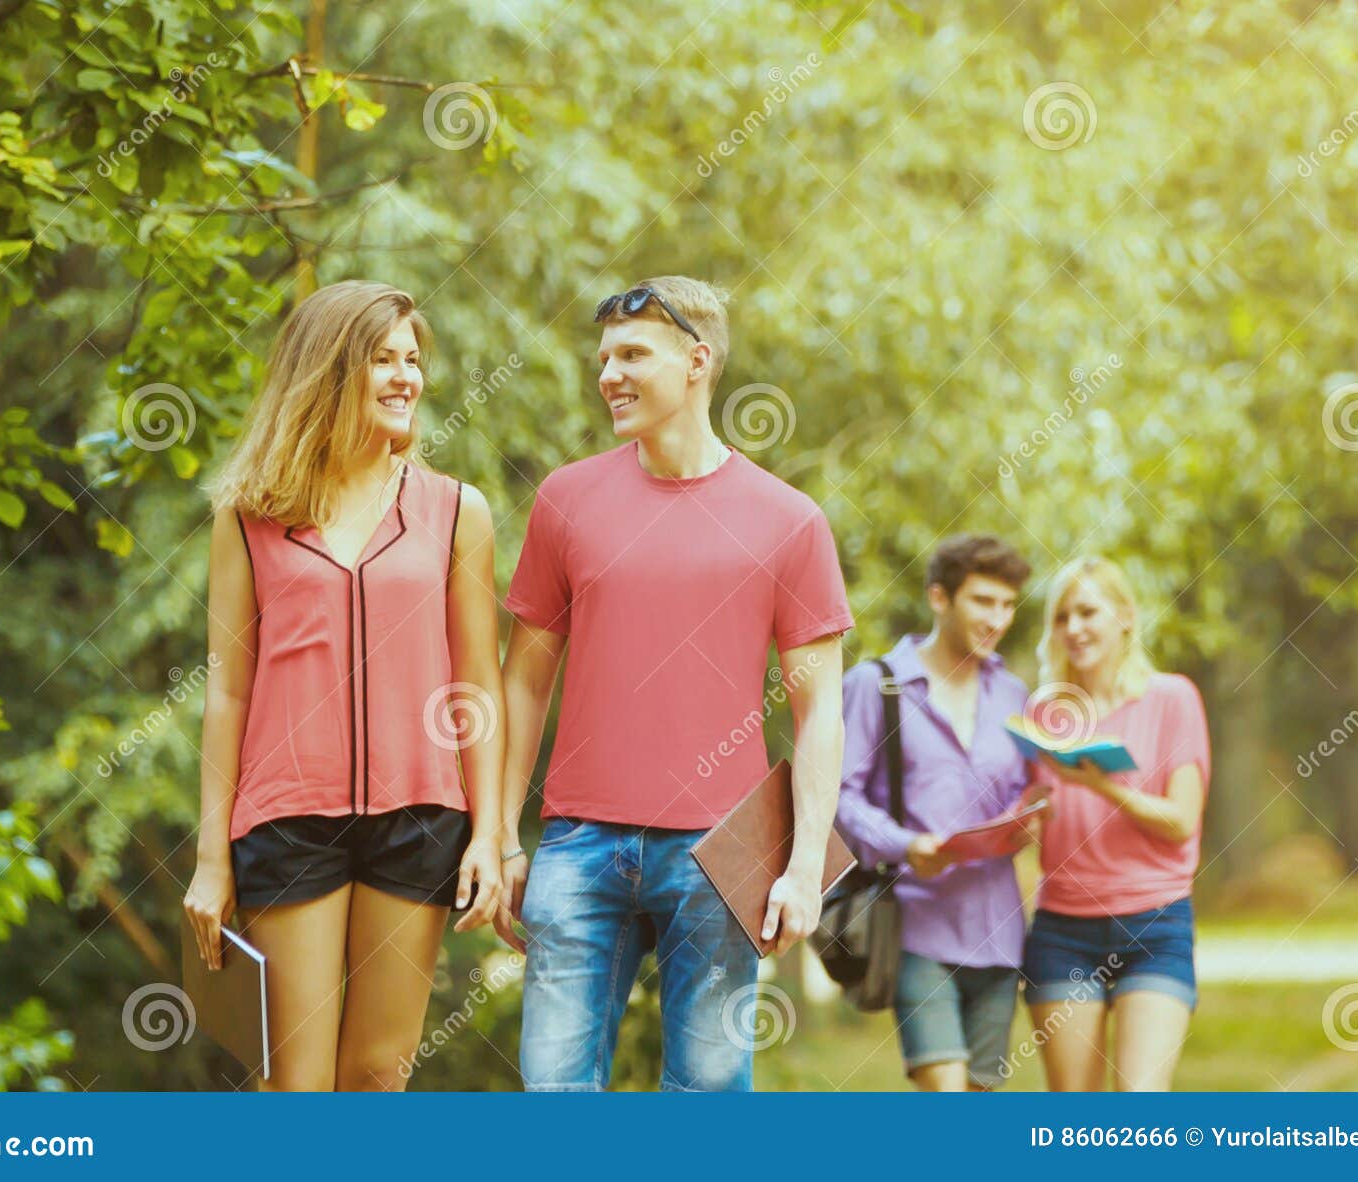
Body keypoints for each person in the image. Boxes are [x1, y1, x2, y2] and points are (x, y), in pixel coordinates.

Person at [496, 276, 853, 1091]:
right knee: (553, 1096)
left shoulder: (787, 519)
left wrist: (802, 866)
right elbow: (523, 682)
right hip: (578, 843)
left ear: (697, 362)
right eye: (604, 358)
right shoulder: (566, 500)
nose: (608, 375)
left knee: (708, 1101)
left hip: (718, 851)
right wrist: (505, 833)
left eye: (632, 355)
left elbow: (820, 706)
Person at [183, 280, 504, 1091]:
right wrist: (211, 859)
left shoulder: (458, 511)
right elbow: (227, 692)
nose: (408, 378)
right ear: (328, 371)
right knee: (296, 1087)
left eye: (413, 359)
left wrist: (492, 834)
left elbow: (479, 683)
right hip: (287, 818)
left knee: (375, 1078)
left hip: (421, 815)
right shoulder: (249, 516)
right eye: (383, 359)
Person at [835, 535, 1038, 1091]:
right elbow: (839, 797)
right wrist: (905, 844)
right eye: (982, 601)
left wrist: (1030, 817)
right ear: (940, 598)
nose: (997, 618)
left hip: (999, 933)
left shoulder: (1014, 694)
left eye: (1006, 604)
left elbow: (1024, 791)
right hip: (916, 925)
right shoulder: (877, 686)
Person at [1020, 556, 1210, 1091]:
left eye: (1087, 612)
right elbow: (1034, 828)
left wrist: (1098, 784)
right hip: (1063, 930)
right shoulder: (1045, 716)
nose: (1074, 629)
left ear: (1125, 616)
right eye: (1061, 617)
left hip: (1155, 924)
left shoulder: (1172, 698)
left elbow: (1180, 822)